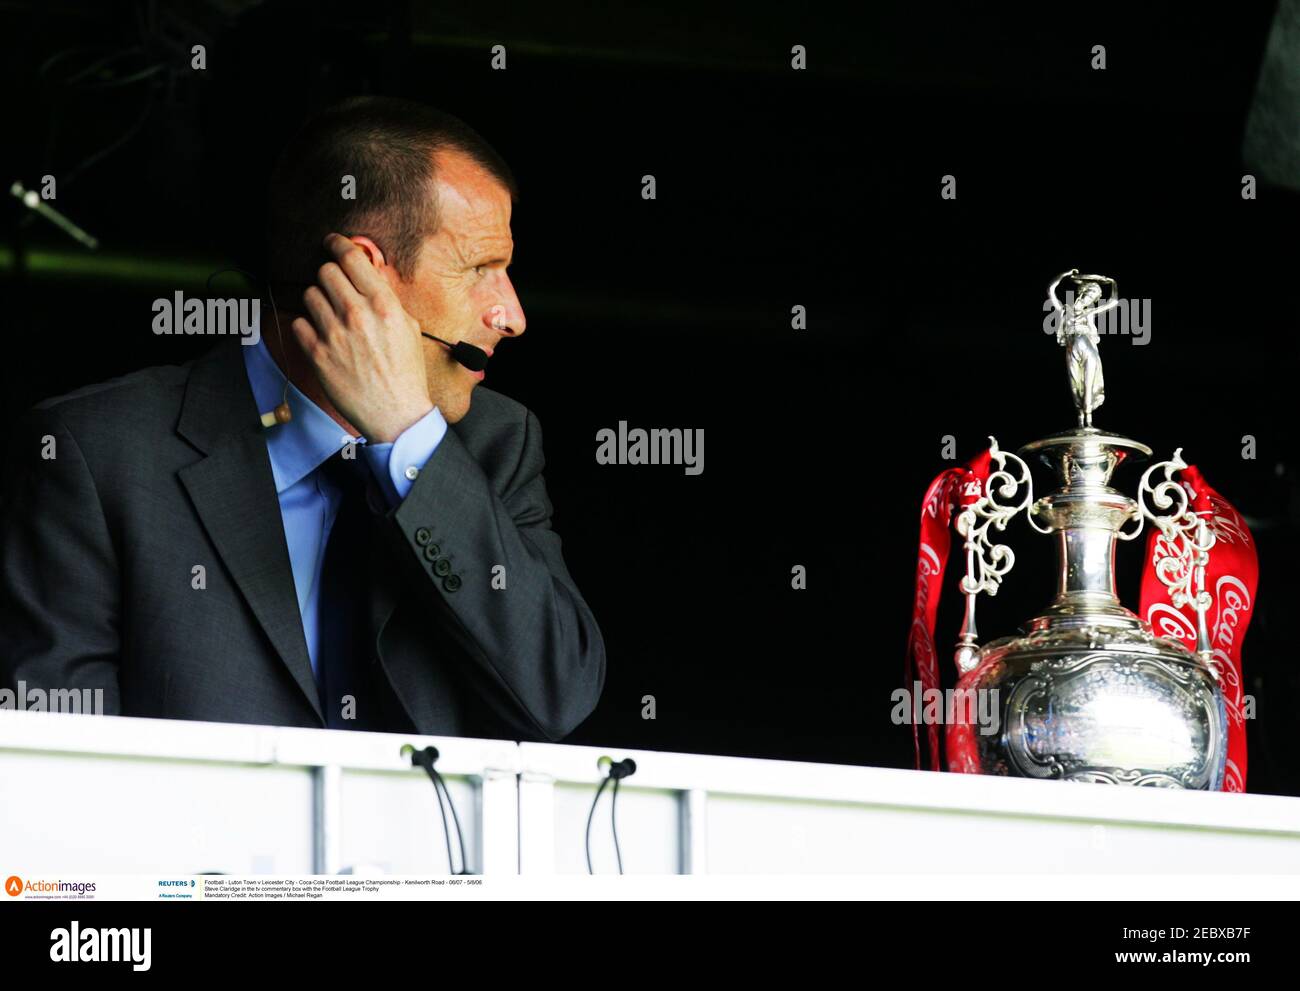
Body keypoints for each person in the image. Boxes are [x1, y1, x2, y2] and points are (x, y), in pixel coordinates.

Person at [0, 96, 606, 741]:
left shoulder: (496, 444)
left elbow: (556, 695)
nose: (511, 316)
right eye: (481, 268)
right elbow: (56, 761)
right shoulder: (98, 452)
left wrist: (408, 440)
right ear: (360, 276)